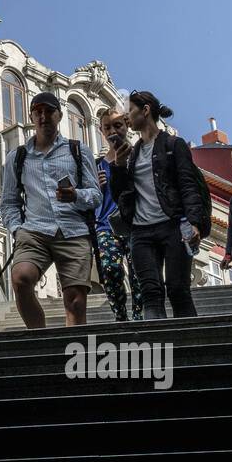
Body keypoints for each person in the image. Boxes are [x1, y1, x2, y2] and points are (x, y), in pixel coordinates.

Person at [0, 92, 101, 328]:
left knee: (75, 302)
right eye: (38, 112)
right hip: (34, 231)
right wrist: (17, 230)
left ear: (59, 115)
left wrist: (76, 195)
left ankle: (73, 356)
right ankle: (41, 341)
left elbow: (95, 196)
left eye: (49, 111)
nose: (43, 116)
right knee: (21, 278)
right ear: (32, 116)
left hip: (74, 231)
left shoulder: (78, 150)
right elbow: (9, 201)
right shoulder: (18, 157)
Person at [109, 90, 204, 319]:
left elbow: (188, 185)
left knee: (178, 289)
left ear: (146, 110)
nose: (126, 117)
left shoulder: (174, 144)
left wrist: (194, 222)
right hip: (141, 231)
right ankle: (161, 349)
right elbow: (120, 196)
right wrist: (119, 167)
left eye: (130, 110)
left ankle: (191, 347)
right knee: (150, 292)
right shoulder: (133, 153)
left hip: (172, 226)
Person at [95, 107, 144, 322]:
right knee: (110, 269)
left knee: (139, 274)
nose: (113, 130)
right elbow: (86, 200)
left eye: (117, 125)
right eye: (107, 127)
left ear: (126, 126)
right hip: (106, 226)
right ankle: (120, 315)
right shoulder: (96, 166)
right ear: (101, 131)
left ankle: (139, 316)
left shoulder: (141, 157)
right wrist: (93, 187)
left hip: (137, 224)